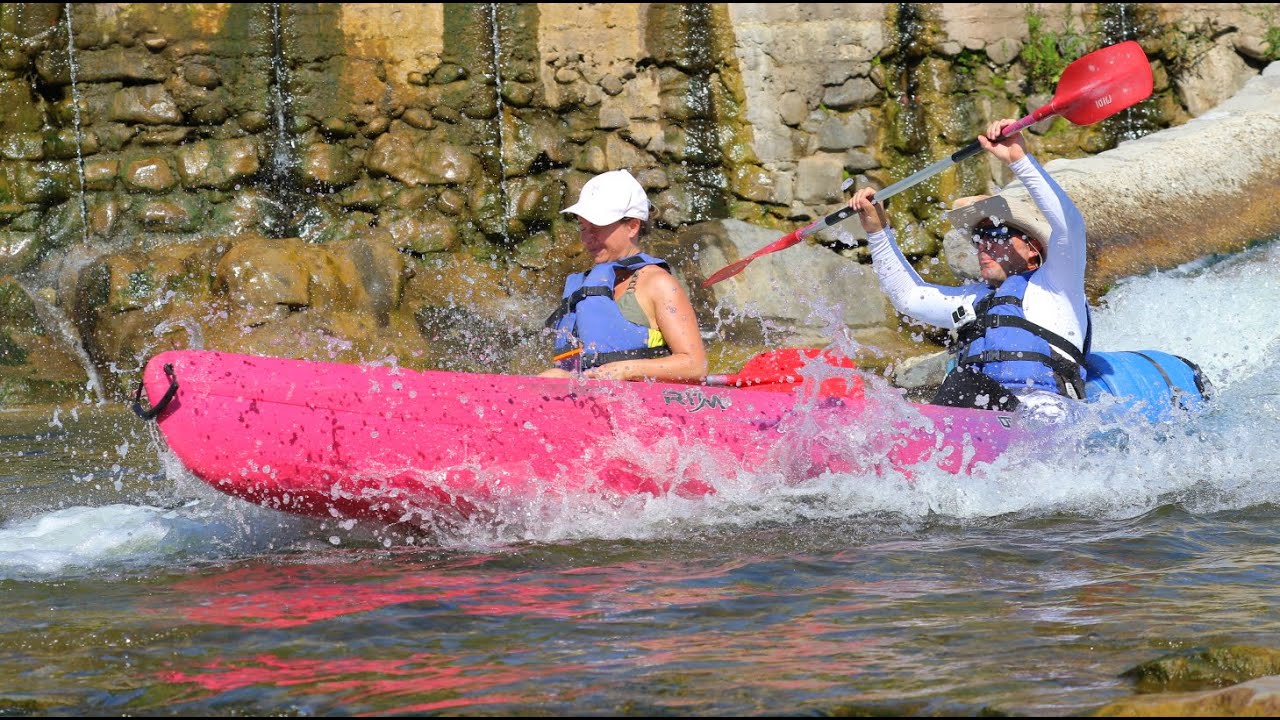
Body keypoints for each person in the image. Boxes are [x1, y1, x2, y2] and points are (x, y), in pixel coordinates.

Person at [846, 118, 1089, 417]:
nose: (984, 245)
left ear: (1032, 248)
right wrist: (877, 229)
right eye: (980, 237)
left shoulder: (1056, 284)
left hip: (1044, 418)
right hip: (984, 420)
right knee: (957, 383)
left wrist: (1019, 160)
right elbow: (909, 297)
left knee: (962, 382)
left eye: (998, 234)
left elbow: (1071, 227)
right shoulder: (973, 301)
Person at [540, 169, 708, 383]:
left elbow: (694, 366)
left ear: (632, 226)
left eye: (597, 227)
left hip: (644, 404)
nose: (587, 238)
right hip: (593, 402)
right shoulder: (583, 286)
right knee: (552, 377)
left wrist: (628, 370)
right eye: (583, 228)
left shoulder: (658, 284)